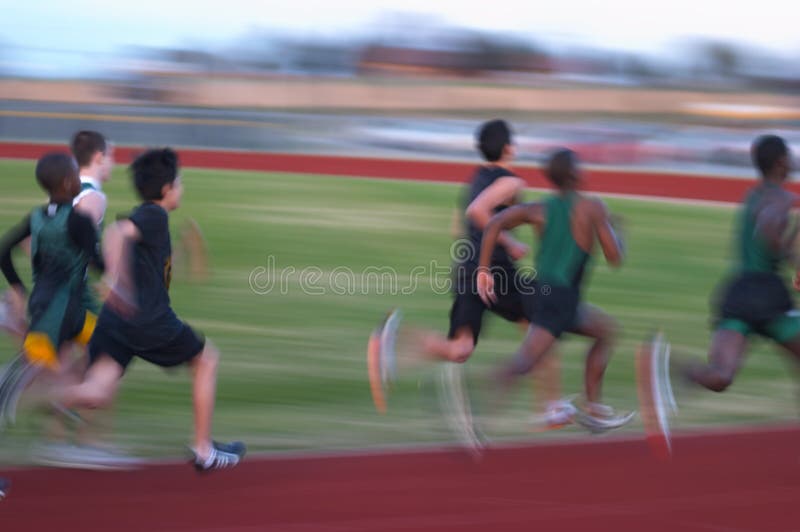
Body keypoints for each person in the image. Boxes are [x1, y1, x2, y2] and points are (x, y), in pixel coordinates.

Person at [371, 119, 574, 434]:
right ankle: (550, 407)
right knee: (544, 327)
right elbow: (477, 213)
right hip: (496, 272)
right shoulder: (511, 182)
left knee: (460, 349)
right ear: (509, 148)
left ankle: (393, 341)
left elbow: (462, 223)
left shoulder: (475, 179)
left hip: (469, 271)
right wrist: (509, 242)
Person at [50, 148, 244, 471]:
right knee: (207, 359)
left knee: (95, 392)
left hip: (116, 321)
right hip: (147, 321)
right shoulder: (153, 215)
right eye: (179, 182)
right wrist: (116, 279)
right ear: (167, 189)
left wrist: (179, 255)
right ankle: (204, 450)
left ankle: (42, 396)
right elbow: (116, 233)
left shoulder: (152, 218)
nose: (182, 188)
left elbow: (150, 270)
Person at [477, 148, 631, 430]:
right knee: (522, 364)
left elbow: (495, 222)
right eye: (580, 167)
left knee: (605, 332)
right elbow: (614, 257)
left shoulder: (540, 209)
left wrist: (484, 270)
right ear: (573, 175)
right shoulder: (593, 207)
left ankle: (594, 410)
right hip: (559, 299)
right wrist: (619, 233)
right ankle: (476, 410)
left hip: (541, 294)